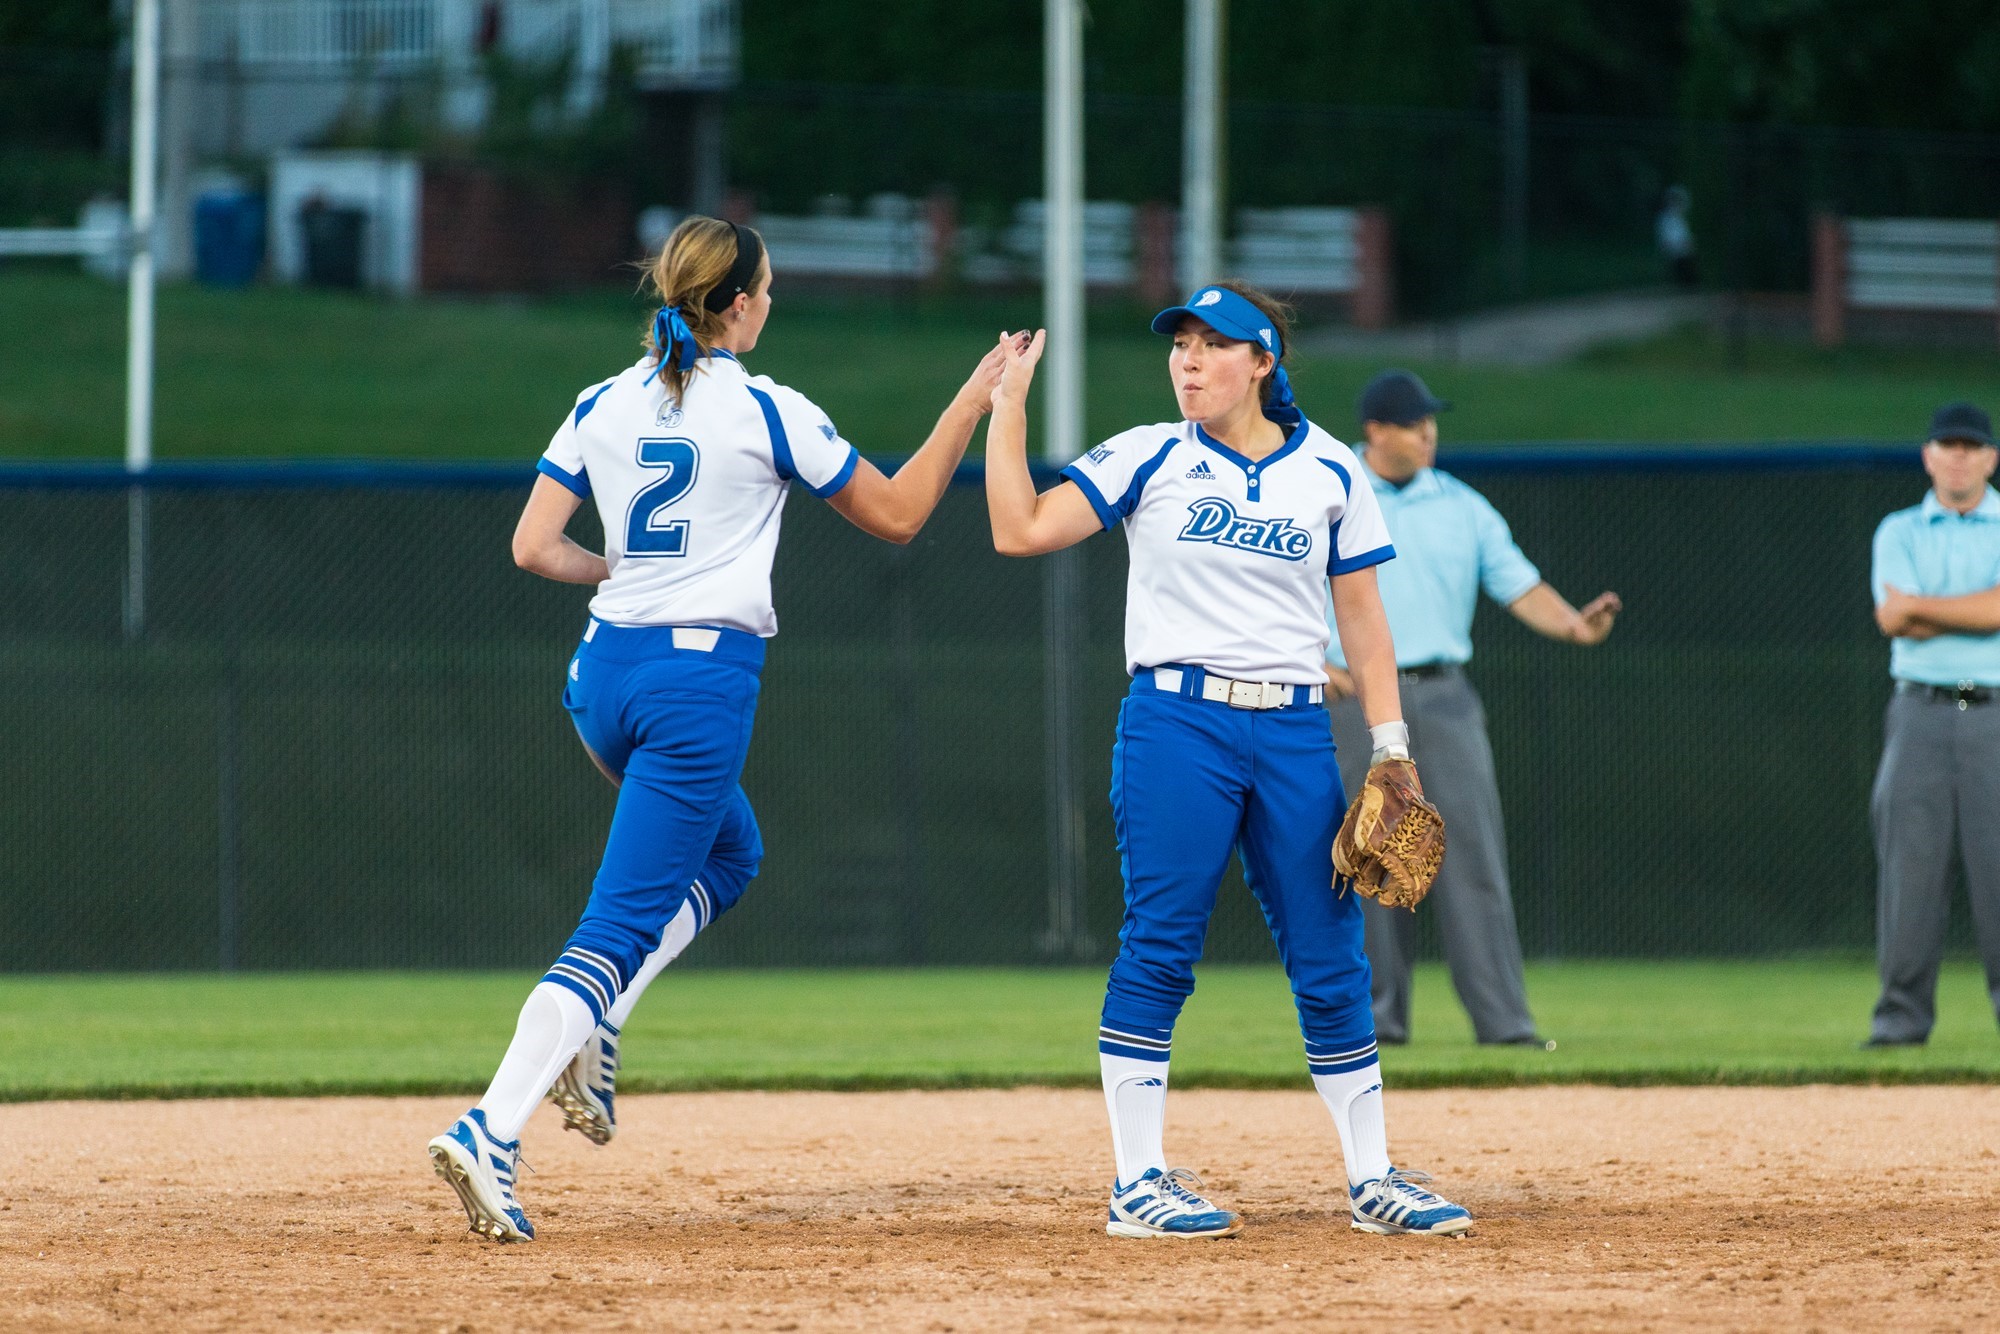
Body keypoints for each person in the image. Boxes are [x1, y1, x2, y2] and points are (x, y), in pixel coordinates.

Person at [427, 216, 1016, 1242]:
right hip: (694, 689)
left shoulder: (601, 399)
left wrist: (622, 570)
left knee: (732, 849)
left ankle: (597, 1020)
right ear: (736, 303)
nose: (771, 302)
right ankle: (491, 1126)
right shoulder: (762, 408)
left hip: (601, 681)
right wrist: (974, 399)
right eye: (769, 289)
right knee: (611, 931)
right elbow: (901, 512)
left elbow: (532, 546)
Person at [984, 283, 1473, 1239]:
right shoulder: (1147, 454)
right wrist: (1008, 411)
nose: (1189, 361)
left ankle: (1371, 1177)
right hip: (1177, 725)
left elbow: (1364, 624)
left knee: (1331, 952)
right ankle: (1138, 1182)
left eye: (1215, 346)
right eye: (1182, 345)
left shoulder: (1329, 470)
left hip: (1293, 730)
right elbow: (1020, 529)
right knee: (1162, 942)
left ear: (1263, 364)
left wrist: (1392, 747)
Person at [1325, 371, 1620, 1047]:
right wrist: (1313, 658)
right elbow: (1275, 583)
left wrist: (1576, 625)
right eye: (1413, 422)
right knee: (1368, 857)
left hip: (1444, 694)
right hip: (1359, 699)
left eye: (1431, 421)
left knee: (1472, 858)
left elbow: (1520, 585)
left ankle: (1504, 1024)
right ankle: (1374, 1025)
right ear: (1376, 431)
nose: (1429, 432)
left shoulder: (1462, 504)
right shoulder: (1330, 488)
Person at [1864, 400, 2000, 1048]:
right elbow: (1894, 621)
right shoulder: (1898, 529)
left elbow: (1990, 610)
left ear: (1990, 458)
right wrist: (1973, 610)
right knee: (1908, 873)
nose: (1958, 456)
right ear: (1928, 456)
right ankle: (1899, 1026)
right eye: (1947, 445)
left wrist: (1922, 603)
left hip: (1992, 709)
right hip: (1918, 709)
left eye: (1971, 446)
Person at [1656, 185, 1698, 289]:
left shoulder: (1680, 216)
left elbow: (1685, 233)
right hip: (1674, 247)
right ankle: (1683, 285)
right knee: (1679, 266)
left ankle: (1690, 285)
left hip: (1683, 246)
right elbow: (1665, 234)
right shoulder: (1666, 218)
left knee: (1687, 265)